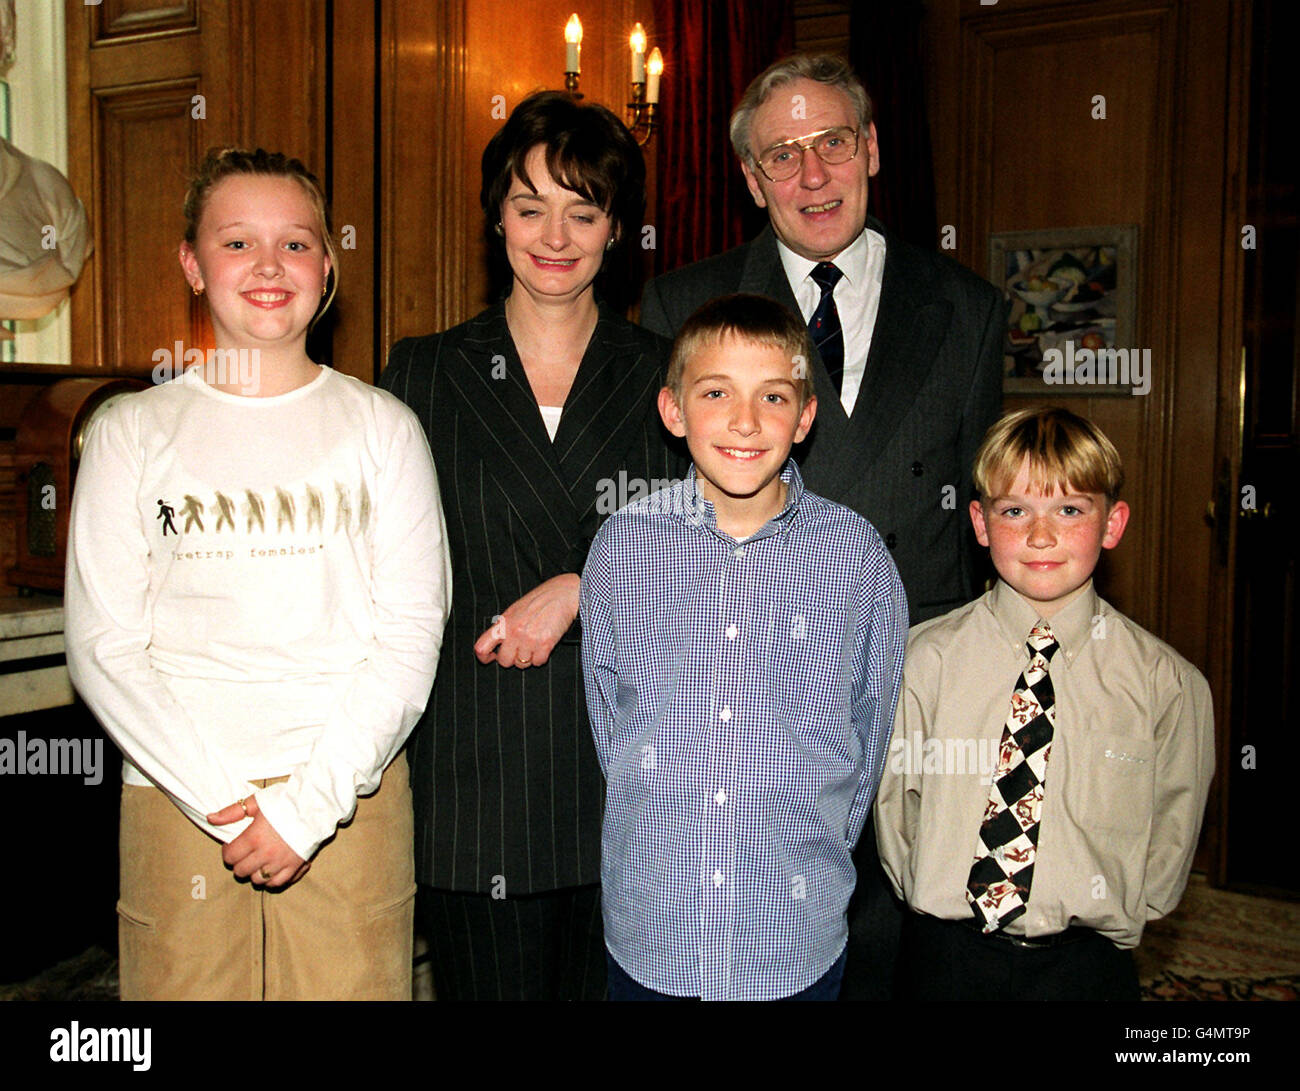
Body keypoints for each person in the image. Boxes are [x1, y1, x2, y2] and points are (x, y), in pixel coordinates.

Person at [65, 147, 451, 1000]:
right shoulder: (132, 431)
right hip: (177, 800)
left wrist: (306, 809)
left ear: (330, 265)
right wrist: (224, 803)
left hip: (351, 797)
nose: (269, 266)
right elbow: (102, 645)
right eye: (237, 243)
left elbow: (410, 635)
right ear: (192, 265)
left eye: (297, 243)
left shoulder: (384, 429)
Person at [381, 91, 685, 1001]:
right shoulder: (421, 373)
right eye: (529, 207)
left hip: (628, 776)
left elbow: (723, 554)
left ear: (617, 229)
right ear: (496, 218)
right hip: (477, 784)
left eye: (583, 211)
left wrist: (584, 584)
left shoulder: (672, 375)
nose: (555, 235)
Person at [581, 293, 908, 1000]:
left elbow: (869, 730)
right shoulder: (622, 548)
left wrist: (815, 846)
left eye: (774, 396)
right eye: (716, 391)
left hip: (792, 935)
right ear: (673, 411)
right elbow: (612, 724)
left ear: (806, 416)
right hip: (653, 931)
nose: (745, 420)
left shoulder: (855, 558)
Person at [874, 407, 1215, 1000]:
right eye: (1015, 511)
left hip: (1085, 969)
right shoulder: (921, 662)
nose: (1040, 535)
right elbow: (895, 814)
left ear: (1112, 523)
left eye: (1070, 509)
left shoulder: (1169, 685)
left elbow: (1171, 831)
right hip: (944, 961)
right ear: (980, 523)